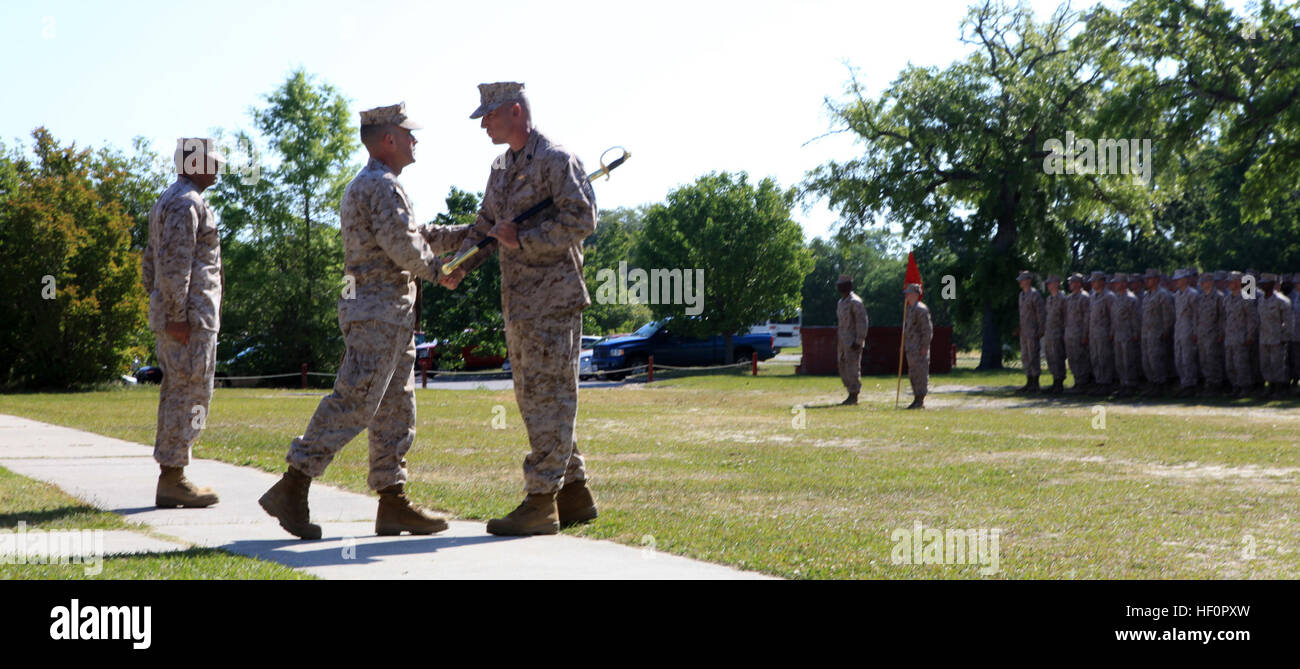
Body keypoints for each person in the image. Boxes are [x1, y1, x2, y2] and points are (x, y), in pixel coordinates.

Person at [259, 103, 465, 539]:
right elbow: (404, 247)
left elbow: (416, 235)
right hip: (378, 313)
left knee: (395, 409)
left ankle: (393, 502)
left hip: (388, 313)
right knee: (355, 401)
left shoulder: (377, 185)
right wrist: (439, 271)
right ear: (388, 139)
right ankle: (293, 484)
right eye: (409, 134)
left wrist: (470, 232)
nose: (415, 141)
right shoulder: (380, 186)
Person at [441, 82, 599, 536]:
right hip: (520, 304)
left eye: (489, 115)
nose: (484, 124)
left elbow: (583, 219)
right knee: (536, 400)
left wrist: (525, 238)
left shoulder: (556, 159)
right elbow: (486, 227)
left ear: (514, 111)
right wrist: (459, 266)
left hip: (554, 301)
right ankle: (573, 493)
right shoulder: (501, 167)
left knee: (551, 399)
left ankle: (540, 501)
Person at [143, 138, 225, 508]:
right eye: (212, 160)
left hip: (183, 315)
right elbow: (175, 264)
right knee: (190, 393)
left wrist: (161, 303)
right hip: (188, 319)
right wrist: (175, 314)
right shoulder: (186, 202)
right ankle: (174, 478)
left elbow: (149, 263)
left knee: (179, 390)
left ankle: (172, 476)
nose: (218, 166)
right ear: (193, 164)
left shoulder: (169, 200)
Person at [1139, 268, 1175, 396]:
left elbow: (1168, 315)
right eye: (1146, 279)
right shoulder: (1147, 295)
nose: (1147, 281)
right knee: (1147, 360)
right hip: (1146, 332)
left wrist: (1165, 331)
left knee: (1156, 359)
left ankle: (1160, 385)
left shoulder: (1163, 295)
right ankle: (1152, 383)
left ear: (1157, 280)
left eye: (1150, 278)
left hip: (1157, 332)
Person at [835, 274, 869, 405]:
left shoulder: (855, 302)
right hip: (842, 341)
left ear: (847, 286)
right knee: (843, 367)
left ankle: (854, 395)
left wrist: (859, 340)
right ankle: (850, 391)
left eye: (841, 284)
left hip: (853, 342)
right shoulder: (841, 302)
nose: (838, 287)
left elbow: (862, 322)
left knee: (853, 368)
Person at [1223, 272, 1257, 398]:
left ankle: (1245, 388)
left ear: (1238, 282)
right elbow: (1225, 318)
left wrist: (1250, 335)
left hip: (1241, 336)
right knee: (1230, 364)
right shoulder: (1227, 298)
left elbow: (1252, 318)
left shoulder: (1246, 298)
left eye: (1231, 281)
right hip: (1229, 336)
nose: (1229, 284)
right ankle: (1235, 387)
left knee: (1241, 364)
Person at [1257, 273, 1291, 398]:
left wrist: (1285, 337)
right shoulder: (1261, 300)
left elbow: (1288, 322)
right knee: (1265, 364)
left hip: (1277, 338)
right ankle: (1270, 387)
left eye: (1265, 282)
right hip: (1264, 337)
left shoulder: (1281, 301)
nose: (1262, 285)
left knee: (1277, 364)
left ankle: (1280, 388)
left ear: (1271, 284)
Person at [1194, 272, 1226, 396]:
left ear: (1211, 282)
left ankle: (1216, 384)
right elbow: (1196, 316)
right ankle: (1208, 383)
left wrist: (1220, 332)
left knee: (1213, 359)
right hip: (1202, 333)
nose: (1202, 284)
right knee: (1204, 359)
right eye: (1201, 282)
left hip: (1213, 333)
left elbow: (1222, 317)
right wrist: (1196, 331)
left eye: (1204, 281)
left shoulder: (1218, 297)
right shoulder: (1200, 297)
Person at [1110, 273, 1141, 396]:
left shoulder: (1131, 298)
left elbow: (1135, 318)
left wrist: (1135, 333)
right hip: (1118, 333)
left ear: (1123, 283)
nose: (1115, 285)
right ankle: (1123, 384)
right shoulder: (1116, 298)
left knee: (1128, 360)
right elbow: (1114, 317)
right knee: (1119, 361)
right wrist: (1111, 332)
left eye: (1117, 282)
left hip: (1128, 333)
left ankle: (1131, 385)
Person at [903, 283, 932, 409]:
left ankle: (920, 399)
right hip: (911, 347)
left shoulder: (921, 309)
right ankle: (916, 398)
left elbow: (927, 330)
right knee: (913, 373)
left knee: (920, 373)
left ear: (915, 294)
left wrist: (925, 346)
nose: (906, 296)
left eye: (908, 293)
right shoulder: (909, 309)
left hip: (919, 348)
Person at [1172, 268, 1200, 397]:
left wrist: (1195, 331)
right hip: (1179, 328)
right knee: (1178, 357)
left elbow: (1196, 315)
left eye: (1178, 280)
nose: (1176, 282)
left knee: (1188, 358)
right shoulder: (1177, 294)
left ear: (1184, 280)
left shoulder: (1192, 294)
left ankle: (1190, 384)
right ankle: (1183, 382)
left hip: (1189, 328)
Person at [1016, 271, 1045, 393]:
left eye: (1022, 280)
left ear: (1028, 280)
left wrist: (1041, 329)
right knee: (1025, 356)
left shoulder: (1034, 295)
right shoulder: (1021, 295)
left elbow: (1041, 314)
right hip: (1024, 331)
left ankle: (1035, 383)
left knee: (1033, 356)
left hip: (1033, 330)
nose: (1020, 282)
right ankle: (1029, 381)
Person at [1087, 271, 1115, 395]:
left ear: (1102, 282)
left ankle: (1106, 383)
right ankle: (1099, 382)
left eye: (1095, 281)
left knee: (1104, 358)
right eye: (1092, 281)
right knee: (1095, 357)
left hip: (1104, 331)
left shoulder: (1109, 296)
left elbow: (1113, 317)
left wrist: (1111, 332)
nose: (1092, 283)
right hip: (1093, 332)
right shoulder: (1092, 296)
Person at [1064, 273, 1092, 393]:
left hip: (1079, 333)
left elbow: (1086, 318)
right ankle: (1077, 381)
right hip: (1070, 333)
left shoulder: (1084, 297)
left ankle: (1083, 383)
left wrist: (1085, 335)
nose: (1070, 284)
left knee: (1081, 358)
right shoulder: (1069, 298)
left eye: (1073, 282)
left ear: (1079, 283)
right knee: (1072, 358)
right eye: (1070, 282)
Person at [1042, 275, 1067, 394]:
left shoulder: (1062, 298)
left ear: (1057, 283)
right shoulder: (1049, 299)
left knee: (1058, 357)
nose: (1048, 285)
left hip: (1058, 332)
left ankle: (1059, 383)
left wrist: (1064, 332)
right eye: (1047, 283)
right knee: (1050, 357)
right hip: (1049, 332)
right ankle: (1054, 380)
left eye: (1050, 283)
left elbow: (1066, 316)